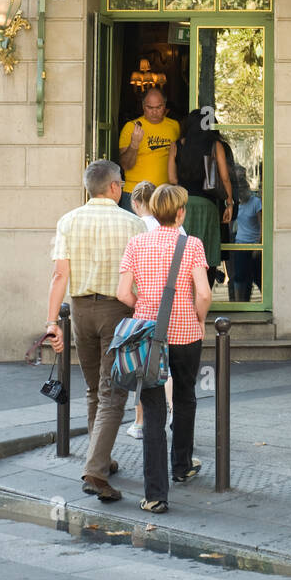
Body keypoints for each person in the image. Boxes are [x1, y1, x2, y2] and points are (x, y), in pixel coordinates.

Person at [45, 160, 146, 502]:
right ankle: (96, 472)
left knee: (93, 388)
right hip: (117, 311)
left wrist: (51, 322)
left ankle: (100, 457)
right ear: (115, 187)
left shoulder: (68, 221)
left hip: (80, 310)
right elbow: (141, 278)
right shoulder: (132, 224)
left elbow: (60, 276)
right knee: (113, 393)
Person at [117, 184, 212, 514]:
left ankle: (155, 494)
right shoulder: (192, 245)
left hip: (147, 336)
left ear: (152, 211)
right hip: (186, 333)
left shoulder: (136, 243)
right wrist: (199, 320)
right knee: (185, 396)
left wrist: (142, 306)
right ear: (181, 213)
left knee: (153, 409)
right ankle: (182, 465)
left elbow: (122, 292)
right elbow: (203, 293)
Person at [125, 181, 181, 441]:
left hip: (145, 310)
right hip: (173, 310)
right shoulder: (177, 231)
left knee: (144, 368)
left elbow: (124, 286)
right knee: (167, 367)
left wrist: (137, 300)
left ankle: (140, 422)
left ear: (136, 203)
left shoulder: (135, 231)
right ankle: (170, 412)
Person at [169, 109, 231, 289]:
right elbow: (224, 177)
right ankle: (204, 297)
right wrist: (229, 203)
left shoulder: (177, 145)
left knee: (182, 253)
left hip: (183, 204)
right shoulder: (215, 145)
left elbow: (172, 179)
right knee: (207, 253)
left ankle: (184, 295)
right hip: (208, 205)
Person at [118, 89, 181, 195]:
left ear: (165, 106)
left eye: (159, 107)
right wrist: (134, 144)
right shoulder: (131, 127)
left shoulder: (174, 126)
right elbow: (126, 166)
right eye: (150, 107)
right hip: (136, 193)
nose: (154, 112)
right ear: (143, 107)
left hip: (164, 193)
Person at [230, 166, 263, 303]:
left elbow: (263, 226)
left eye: (243, 190)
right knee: (239, 277)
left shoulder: (255, 203)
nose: (241, 194)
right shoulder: (236, 205)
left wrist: (258, 246)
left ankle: (265, 303)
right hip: (240, 244)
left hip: (254, 245)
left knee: (258, 277)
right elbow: (231, 224)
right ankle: (239, 304)